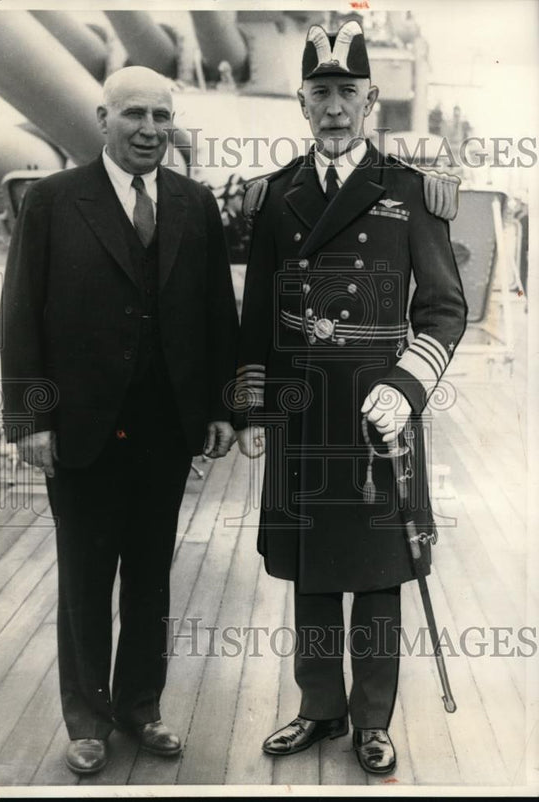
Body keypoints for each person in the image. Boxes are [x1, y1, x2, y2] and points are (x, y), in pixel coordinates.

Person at [235, 20, 466, 776]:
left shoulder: (408, 193)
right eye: (320, 93)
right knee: (310, 568)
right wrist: (254, 404)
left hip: (379, 417)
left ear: (371, 102)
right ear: (302, 105)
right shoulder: (274, 198)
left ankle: (371, 718)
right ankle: (318, 707)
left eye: (348, 93)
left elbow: (442, 309)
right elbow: (259, 319)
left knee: (376, 572)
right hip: (304, 413)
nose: (335, 108)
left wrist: (406, 387)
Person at [0, 66, 238, 775]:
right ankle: (87, 719)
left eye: (163, 116)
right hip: (80, 427)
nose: (150, 130)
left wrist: (224, 407)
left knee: (151, 577)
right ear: (103, 119)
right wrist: (31, 418)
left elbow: (217, 316)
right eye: (135, 114)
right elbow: (21, 314)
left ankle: (141, 705)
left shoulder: (195, 204)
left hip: (165, 429)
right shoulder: (51, 201)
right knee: (83, 575)